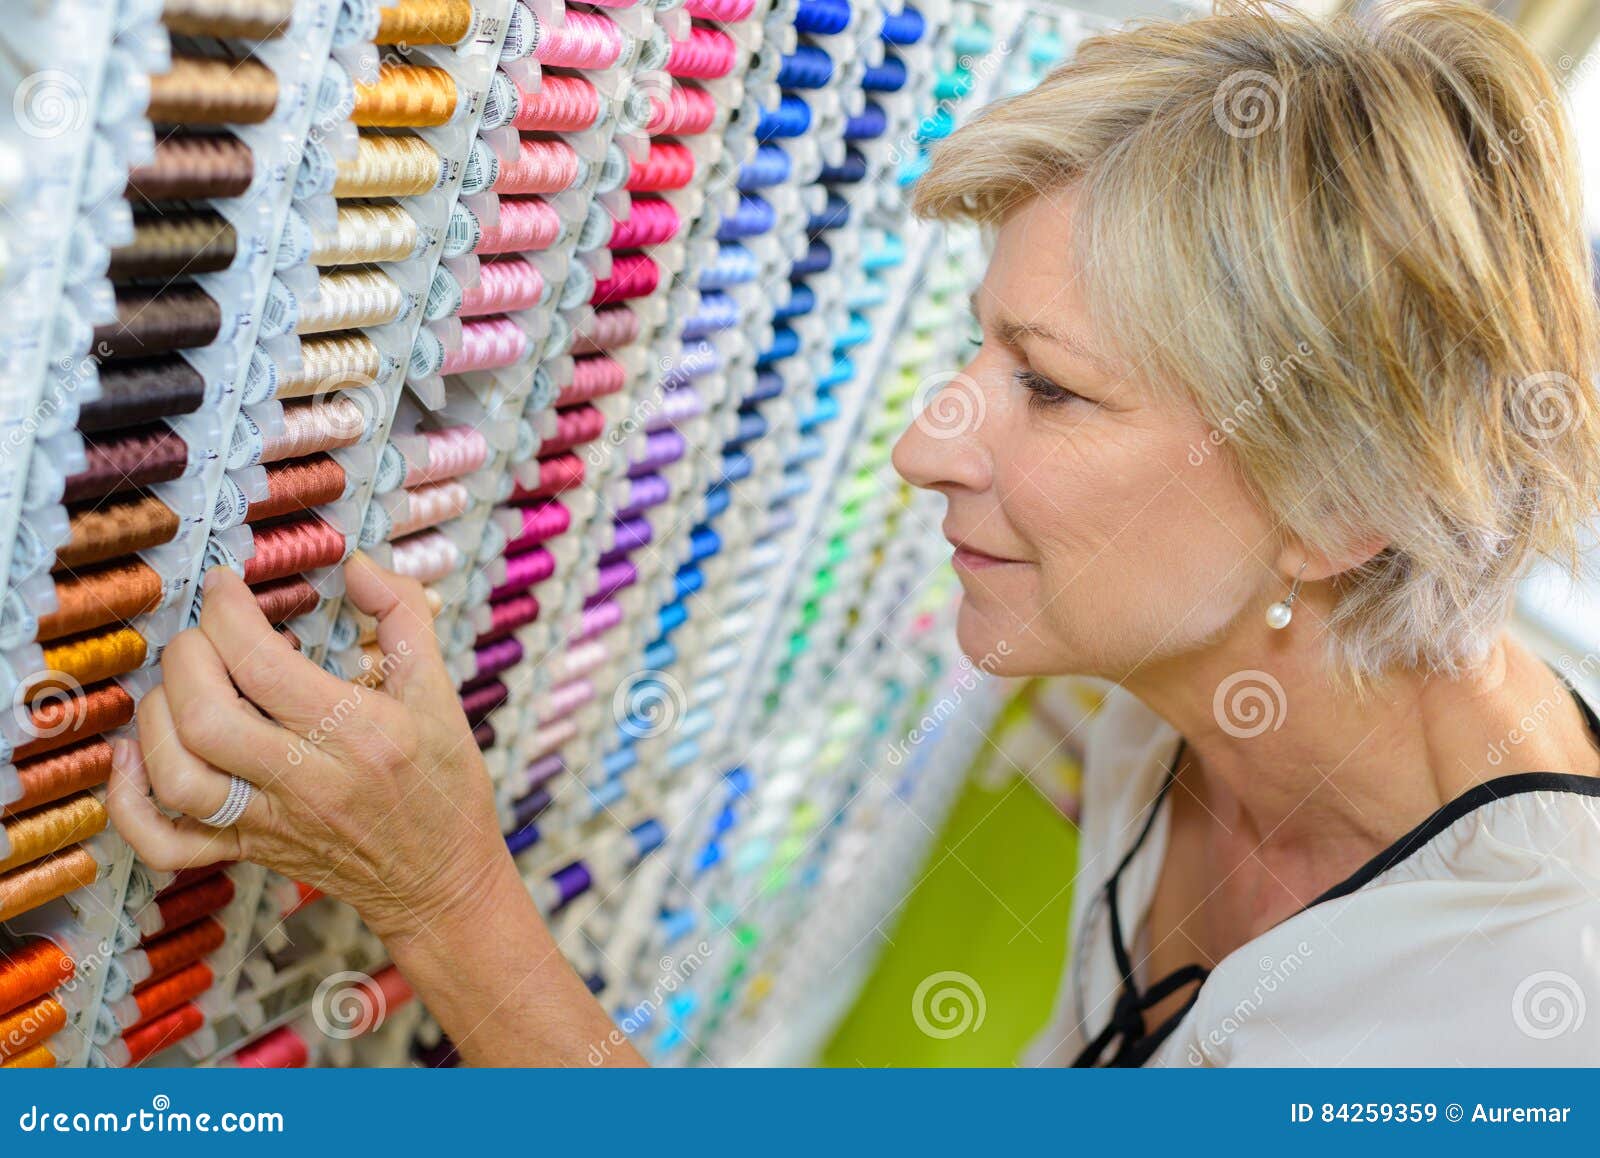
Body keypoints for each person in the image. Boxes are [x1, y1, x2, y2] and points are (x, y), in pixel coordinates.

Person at [108, 0, 1600, 1066]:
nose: (923, 445)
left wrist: (446, 897)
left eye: (1052, 389)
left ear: (1339, 500)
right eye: (979, 354)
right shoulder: (1176, 729)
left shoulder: (1509, 1035)